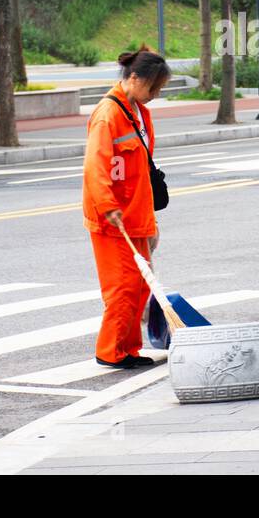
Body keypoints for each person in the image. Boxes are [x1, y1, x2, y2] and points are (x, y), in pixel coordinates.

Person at [82, 45, 171, 369]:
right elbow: (96, 165)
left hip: (137, 213)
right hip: (113, 218)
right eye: (153, 87)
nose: (155, 95)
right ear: (134, 78)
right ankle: (111, 350)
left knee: (137, 285)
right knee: (121, 287)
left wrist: (150, 220)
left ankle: (129, 348)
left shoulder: (138, 113)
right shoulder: (108, 115)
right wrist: (107, 205)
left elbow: (141, 170)